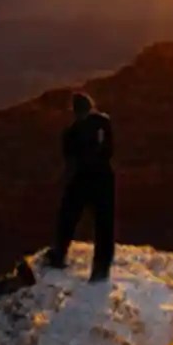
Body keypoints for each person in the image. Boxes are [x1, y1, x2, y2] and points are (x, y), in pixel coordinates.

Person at [47, 92, 115, 282]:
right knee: (104, 224)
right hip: (104, 178)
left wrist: (65, 180)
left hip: (81, 179)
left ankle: (59, 254)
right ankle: (101, 267)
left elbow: (70, 160)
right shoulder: (104, 123)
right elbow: (109, 150)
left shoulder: (71, 132)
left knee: (68, 217)